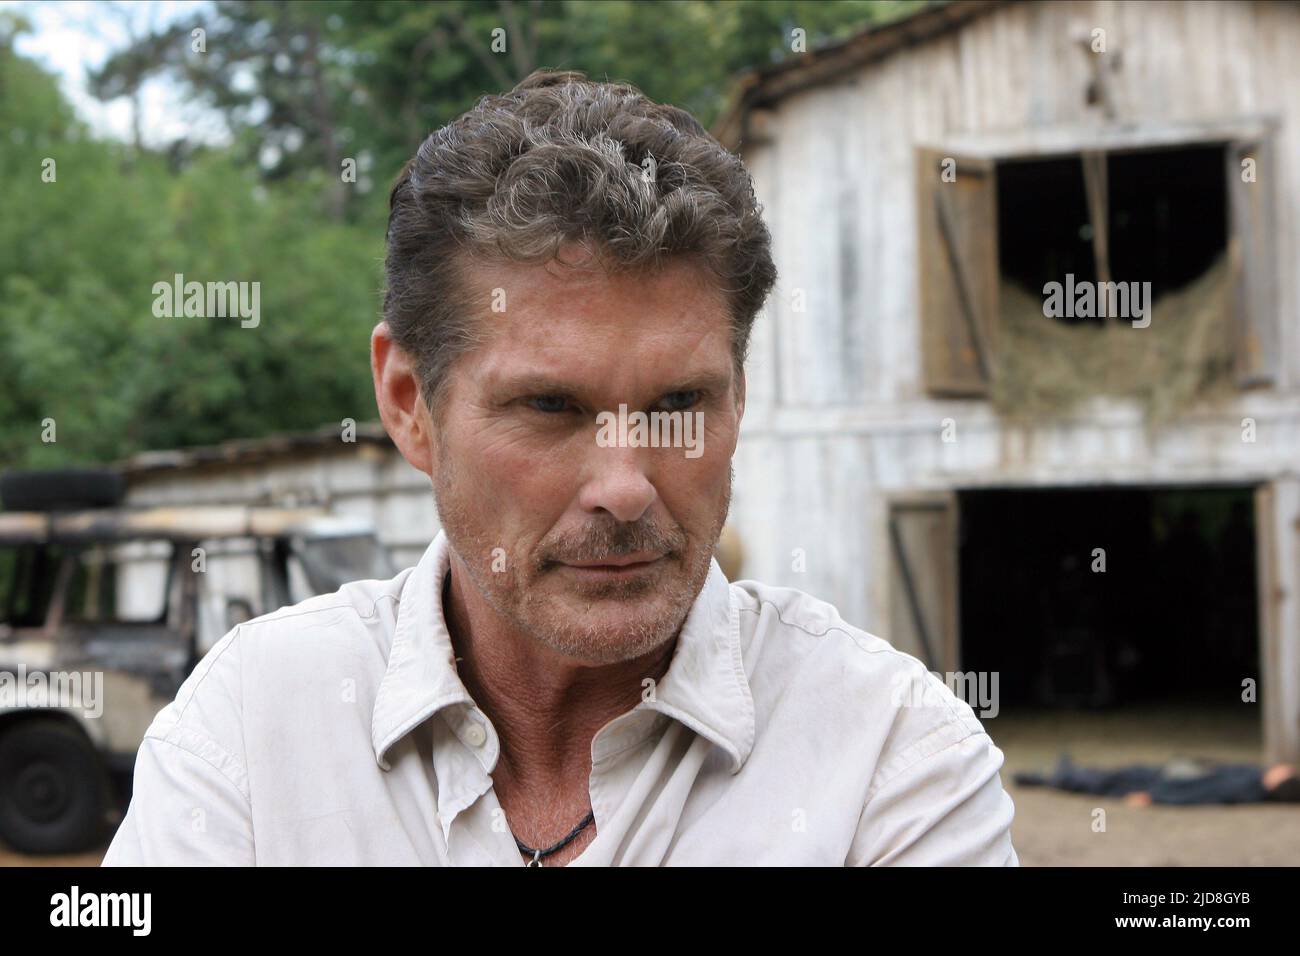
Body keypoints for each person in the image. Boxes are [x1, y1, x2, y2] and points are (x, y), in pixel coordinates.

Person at [102, 70, 1018, 866]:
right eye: (551, 407)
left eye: (676, 406)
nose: (625, 486)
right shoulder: (254, 728)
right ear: (408, 403)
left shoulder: (892, 759)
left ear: (739, 397)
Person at [1015, 755, 1300, 806]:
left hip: (1161, 784)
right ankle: (1060, 775)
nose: (1282, 767)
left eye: (1285, 772)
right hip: (1167, 775)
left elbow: (1201, 793)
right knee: (1109, 777)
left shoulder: (1246, 786)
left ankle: (1054, 778)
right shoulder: (1254, 778)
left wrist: (1156, 797)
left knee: (1107, 783)